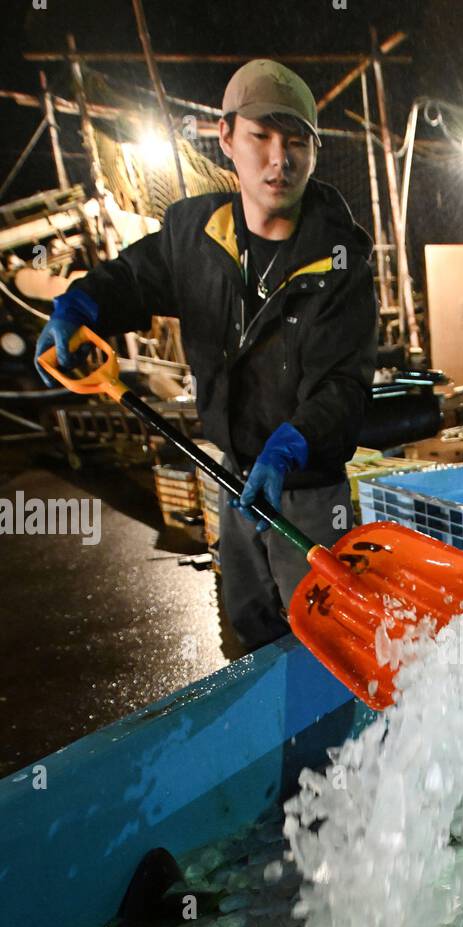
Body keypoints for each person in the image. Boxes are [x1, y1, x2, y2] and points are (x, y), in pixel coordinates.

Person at [35, 59, 379, 647]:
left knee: (326, 646)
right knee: (247, 635)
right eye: (261, 137)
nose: (280, 159)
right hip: (232, 477)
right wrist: (77, 305)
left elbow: (343, 385)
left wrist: (292, 444)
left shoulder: (339, 262)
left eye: (297, 142)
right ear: (226, 138)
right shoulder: (196, 236)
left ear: (314, 153)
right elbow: (132, 280)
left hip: (310, 494)